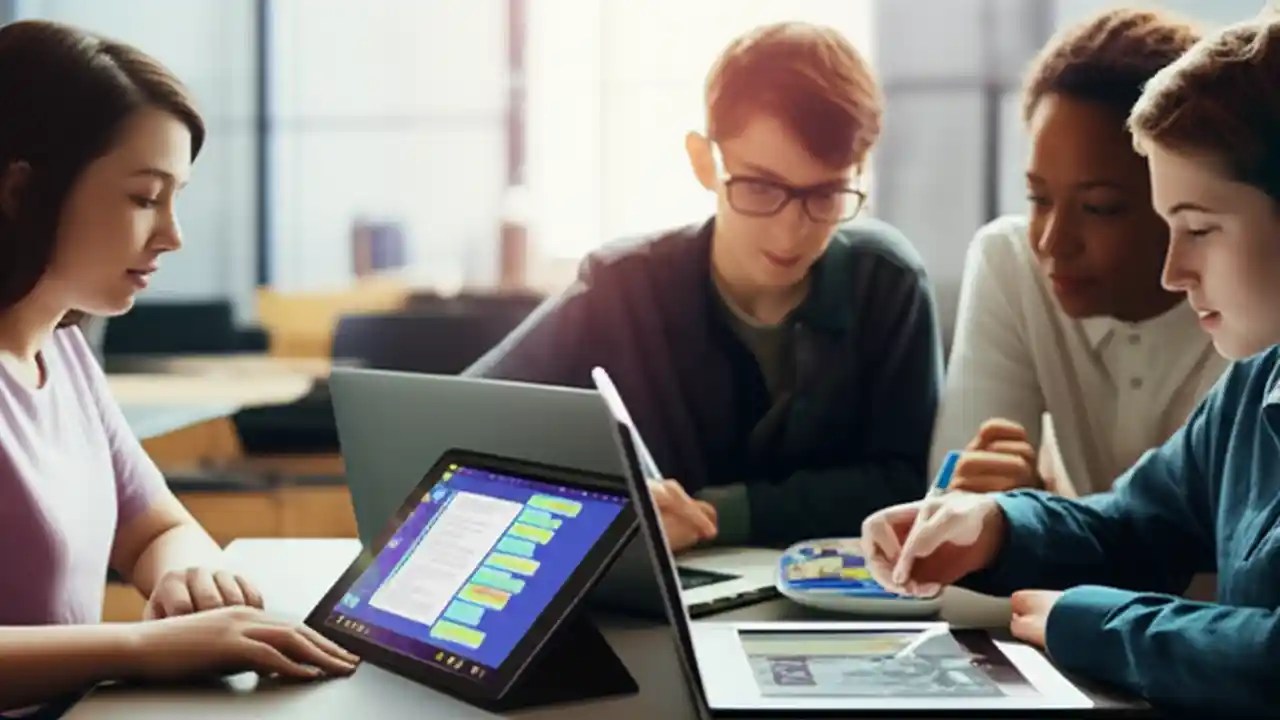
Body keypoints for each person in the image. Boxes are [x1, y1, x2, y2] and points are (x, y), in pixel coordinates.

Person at [862, 14, 1280, 716]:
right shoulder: (1254, 384)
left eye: (1199, 229)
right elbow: (1133, 525)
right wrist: (993, 526)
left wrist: (1088, 622)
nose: (1174, 271)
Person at [466, 22, 943, 552]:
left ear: (860, 174)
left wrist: (720, 514)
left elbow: (909, 484)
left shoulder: (887, 284)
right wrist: (614, 509)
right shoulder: (623, 287)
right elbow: (468, 427)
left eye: (827, 195)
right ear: (703, 161)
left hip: (832, 594)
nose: (790, 231)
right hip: (662, 589)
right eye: (759, 187)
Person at [0, 20, 356, 716]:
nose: (172, 234)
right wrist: (139, 648)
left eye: (176, 197)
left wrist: (190, 576)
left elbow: (155, 528)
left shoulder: (63, 356)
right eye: (144, 197)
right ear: (19, 190)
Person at [930, 9, 1226, 498]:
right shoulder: (1011, 265)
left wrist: (1034, 520)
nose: (1053, 242)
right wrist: (1000, 507)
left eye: (1100, 207)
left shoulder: (1249, 304)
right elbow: (955, 493)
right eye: (1038, 199)